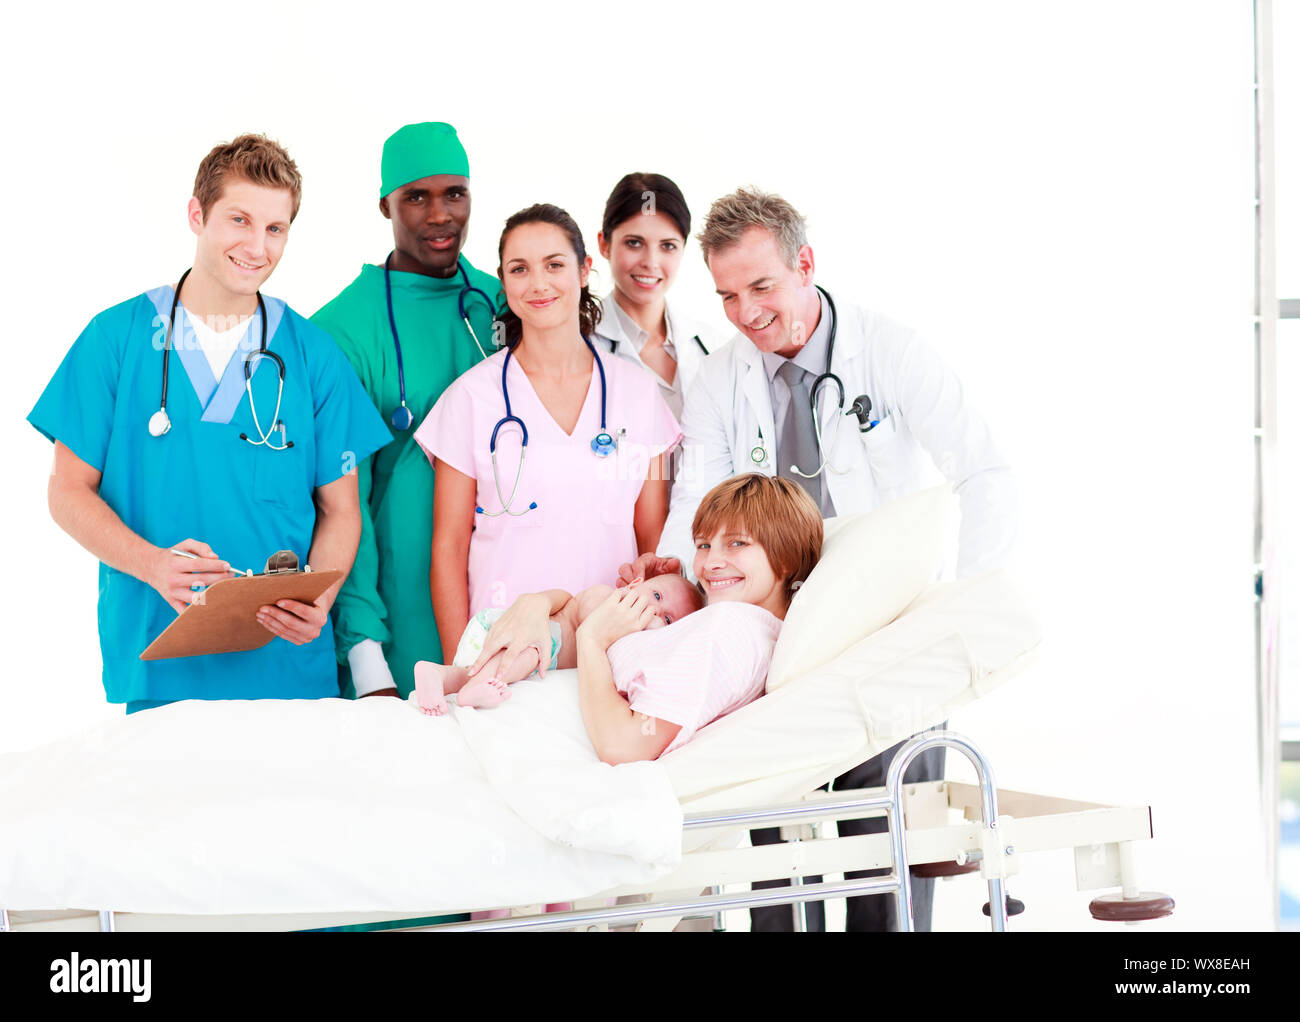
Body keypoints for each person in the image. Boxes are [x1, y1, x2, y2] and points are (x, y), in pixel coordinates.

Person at [621, 187, 1017, 931]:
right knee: (777, 874)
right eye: (729, 295)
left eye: (762, 286)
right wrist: (671, 573)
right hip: (775, 647)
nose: (745, 313)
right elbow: (694, 504)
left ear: (805, 264)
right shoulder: (720, 380)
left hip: (885, 639)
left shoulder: (891, 352)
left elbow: (984, 472)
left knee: (890, 867)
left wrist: (959, 612)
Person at [29, 135, 391, 713]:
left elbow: (341, 510)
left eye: (276, 229)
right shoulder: (115, 340)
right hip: (161, 664)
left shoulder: (313, 355)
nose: (257, 245)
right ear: (197, 215)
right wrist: (152, 564)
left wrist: (319, 596)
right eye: (239, 220)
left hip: (287, 669)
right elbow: (67, 491)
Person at [413, 204, 682, 670]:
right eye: (520, 269)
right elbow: (449, 548)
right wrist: (462, 666)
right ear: (503, 280)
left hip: (615, 650)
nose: (538, 284)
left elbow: (652, 541)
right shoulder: (470, 400)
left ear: (583, 271)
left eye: (554, 265)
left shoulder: (637, 394)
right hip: (502, 656)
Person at [311, 122, 498, 700]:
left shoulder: (507, 299)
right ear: (384, 205)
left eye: (454, 194)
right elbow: (343, 507)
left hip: (503, 594)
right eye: (416, 197)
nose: (440, 214)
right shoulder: (343, 329)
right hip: (403, 603)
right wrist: (367, 658)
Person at [466, 473, 822, 764]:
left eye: (737, 544)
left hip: (525, 747)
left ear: (787, 557)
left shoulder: (727, 629)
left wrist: (593, 639)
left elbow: (624, 748)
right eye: (703, 545)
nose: (710, 563)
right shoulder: (741, 625)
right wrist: (678, 587)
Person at [412, 572, 702, 713]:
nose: (653, 610)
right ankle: (472, 692)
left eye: (666, 620)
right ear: (635, 583)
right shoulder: (606, 597)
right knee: (529, 653)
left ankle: (437, 675)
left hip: (503, 647)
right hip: (529, 634)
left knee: (469, 670)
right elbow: (592, 628)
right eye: (657, 596)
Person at [591, 173, 721, 422]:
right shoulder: (580, 348)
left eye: (668, 246)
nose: (650, 263)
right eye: (634, 243)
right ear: (604, 244)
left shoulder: (714, 346)